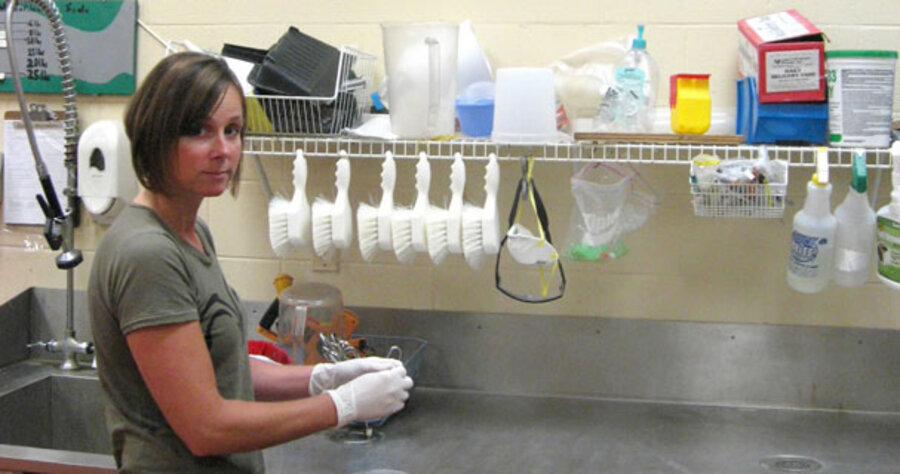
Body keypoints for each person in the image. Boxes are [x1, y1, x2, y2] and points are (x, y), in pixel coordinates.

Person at [88, 51, 413, 473]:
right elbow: (206, 428)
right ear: (156, 135)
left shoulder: (191, 233)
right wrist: (341, 406)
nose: (224, 151)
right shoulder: (147, 253)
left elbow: (218, 369)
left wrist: (325, 378)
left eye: (233, 130)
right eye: (199, 131)